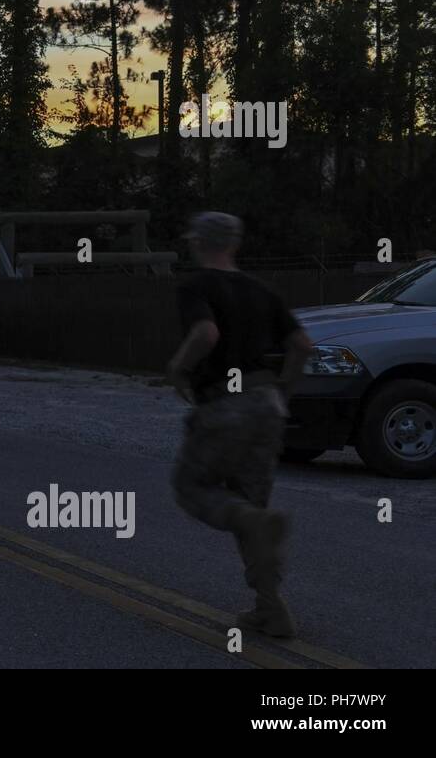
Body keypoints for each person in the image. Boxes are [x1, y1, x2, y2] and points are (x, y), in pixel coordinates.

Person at [167, 211, 312, 639]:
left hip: (225, 404)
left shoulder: (197, 285)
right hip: (267, 403)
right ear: (236, 243)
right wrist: (283, 390)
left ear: (197, 242)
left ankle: (252, 531)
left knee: (192, 488)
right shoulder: (263, 290)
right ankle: (271, 609)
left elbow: (206, 334)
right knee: (252, 508)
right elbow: (302, 344)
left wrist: (177, 367)